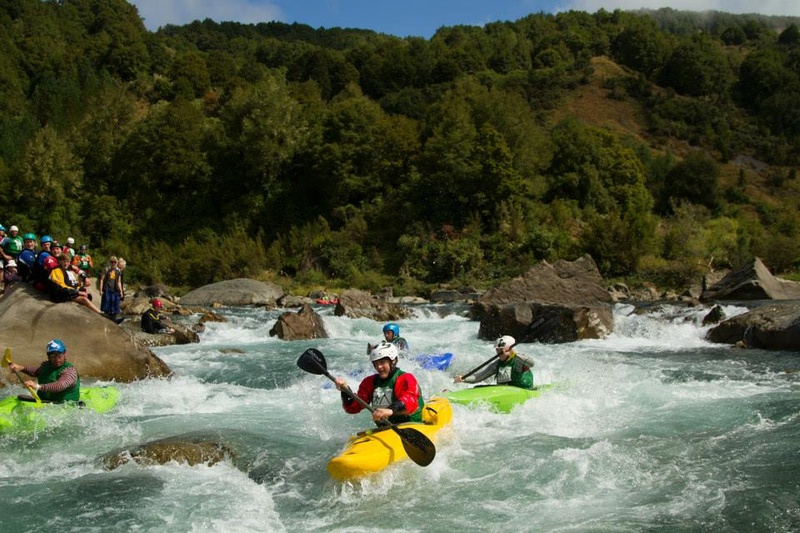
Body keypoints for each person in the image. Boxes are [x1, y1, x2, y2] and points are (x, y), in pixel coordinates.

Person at [334, 341, 424, 425]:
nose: (379, 367)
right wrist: (345, 390)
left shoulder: (406, 378)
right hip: (386, 429)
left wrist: (390, 410)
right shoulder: (369, 383)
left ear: (393, 361)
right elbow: (352, 408)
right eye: (376, 364)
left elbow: (411, 401)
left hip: (411, 425)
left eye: (382, 362)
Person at [7, 339, 80, 403]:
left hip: (66, 406)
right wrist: (21, 368)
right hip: (46, 402)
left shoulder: (69, 371)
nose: (57, 359)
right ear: (48, 357)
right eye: (53, 357)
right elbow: (37, 372)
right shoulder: (47, 365)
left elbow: (60, 385)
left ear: (64, 354)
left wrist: (38, 386)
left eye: (59, 355)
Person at [454, 335, 535, 389]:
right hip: (505, 390)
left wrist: (513, 353)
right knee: (478, 387)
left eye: (501, 349)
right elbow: (479, 377)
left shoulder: (519, 360)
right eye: (497, 349)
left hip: (524, 389)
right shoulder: (497, 364)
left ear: (510, 349)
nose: (499, 352)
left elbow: (532, 363)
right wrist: (464, 379)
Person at [48, 252, 107, 317]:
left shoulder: (66, 271)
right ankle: (101, 314)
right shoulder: (57, 271)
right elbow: (61, 287)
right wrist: (77, 292)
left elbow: (71, 284)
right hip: (58, 295)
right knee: (84, 299)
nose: (66, 263)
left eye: (67, 262)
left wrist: (81, 289)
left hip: (64, 292)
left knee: (87, 296)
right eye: (64, 261)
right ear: (60, 261)